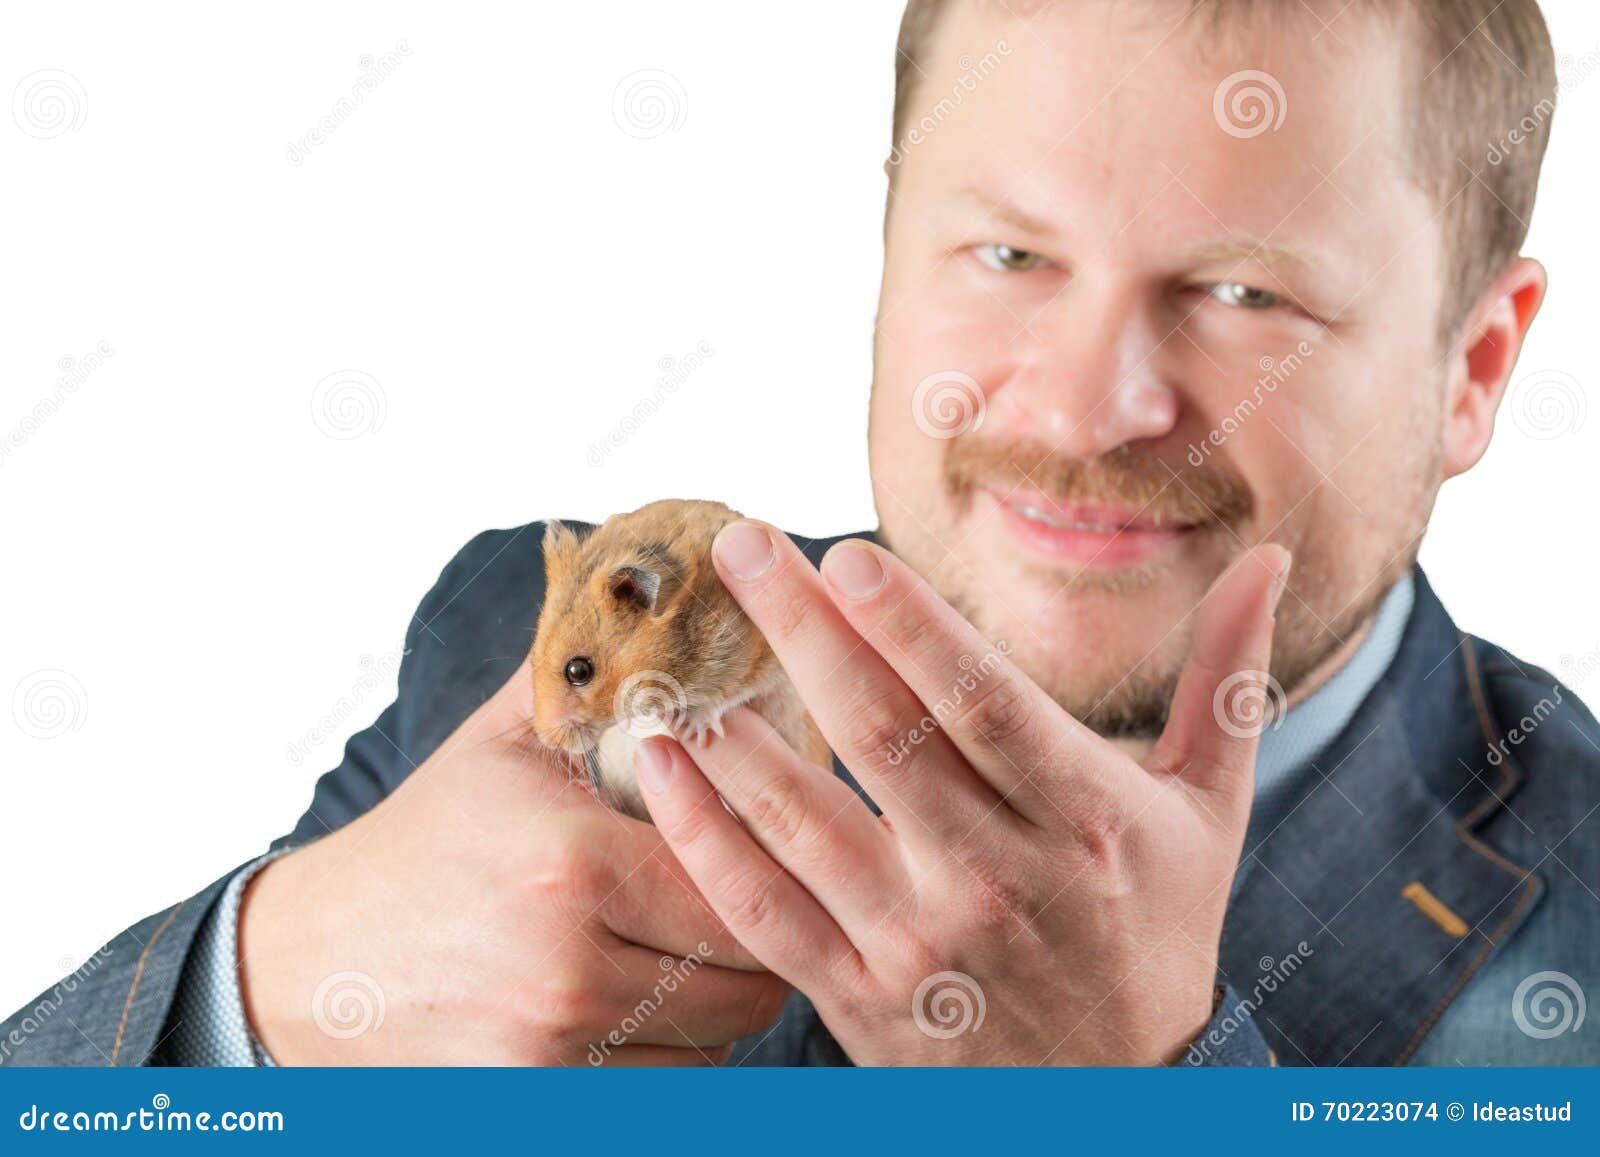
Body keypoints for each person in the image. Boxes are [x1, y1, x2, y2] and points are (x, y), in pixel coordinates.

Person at [5, 0, 1595, 1068]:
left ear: (1474, 371)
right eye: (1008, 251)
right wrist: (263, 990)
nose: (1088, 404)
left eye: (1245, 292)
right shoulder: (505, 640)